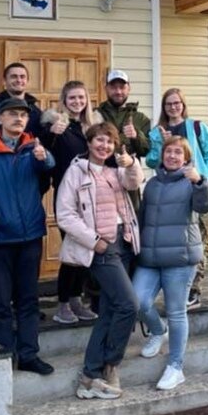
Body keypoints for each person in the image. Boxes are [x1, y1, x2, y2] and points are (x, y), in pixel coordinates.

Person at [0, 97, 56, 375]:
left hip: (30, 237)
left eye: (23, 115)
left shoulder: (33, 148)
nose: (19, 119)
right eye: (13, 114)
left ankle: (28, 354)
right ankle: (3, 355)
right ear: (0, 119)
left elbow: (48, 169)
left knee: (28, 300)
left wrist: (45, 158)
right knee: (1, 301)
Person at [55, 122, 144, 399]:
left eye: (109, 142)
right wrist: (95, 241)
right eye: (99, 140)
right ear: (89, 143)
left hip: (124, 243)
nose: (104, 146)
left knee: (109, 310)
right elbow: (65, 215)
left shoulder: (114, 171)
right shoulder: (76, 171)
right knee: (129, 305)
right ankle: (111, 364)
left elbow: (134, 182)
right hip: (102, 249)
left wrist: (131, 164)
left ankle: (90, 375)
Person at [134, 136, 208, 390]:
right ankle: (158, 331)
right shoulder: (152, 184)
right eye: (168, 151)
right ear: (162, 155)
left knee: (176, 312)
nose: (172, 156)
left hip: (180, 258)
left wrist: (200, 182)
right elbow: (143, 217)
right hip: (150, 257)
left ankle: (176, 367)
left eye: (178, 152)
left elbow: (206, 206)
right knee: (137, 301)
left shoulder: (192, 182)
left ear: (186, 158)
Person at [146, 88, 208, 309]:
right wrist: (161, 144)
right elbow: (152, 161)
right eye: (168, 104)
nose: (173, 107)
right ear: (164, 107)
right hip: (171, 195)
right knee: (178, 241)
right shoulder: (157, 132)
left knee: (200, 239)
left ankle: (194, 290)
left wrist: (202, 176)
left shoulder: (197, 127)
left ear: (183, 105)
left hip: (196, 190)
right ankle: (179, 289)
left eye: (177, 103)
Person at [39, 81, 102, 325]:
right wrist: (52, 134)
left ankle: (77, 299)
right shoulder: (55, 124)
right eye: (72, 98)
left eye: (81, 97)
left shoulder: (92, 127)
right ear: (64, 100)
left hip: (92, 194)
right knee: (72, 247)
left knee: (87, 246)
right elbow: (43, 153)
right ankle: (63, 304)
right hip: (67, 195)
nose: (77, 102)